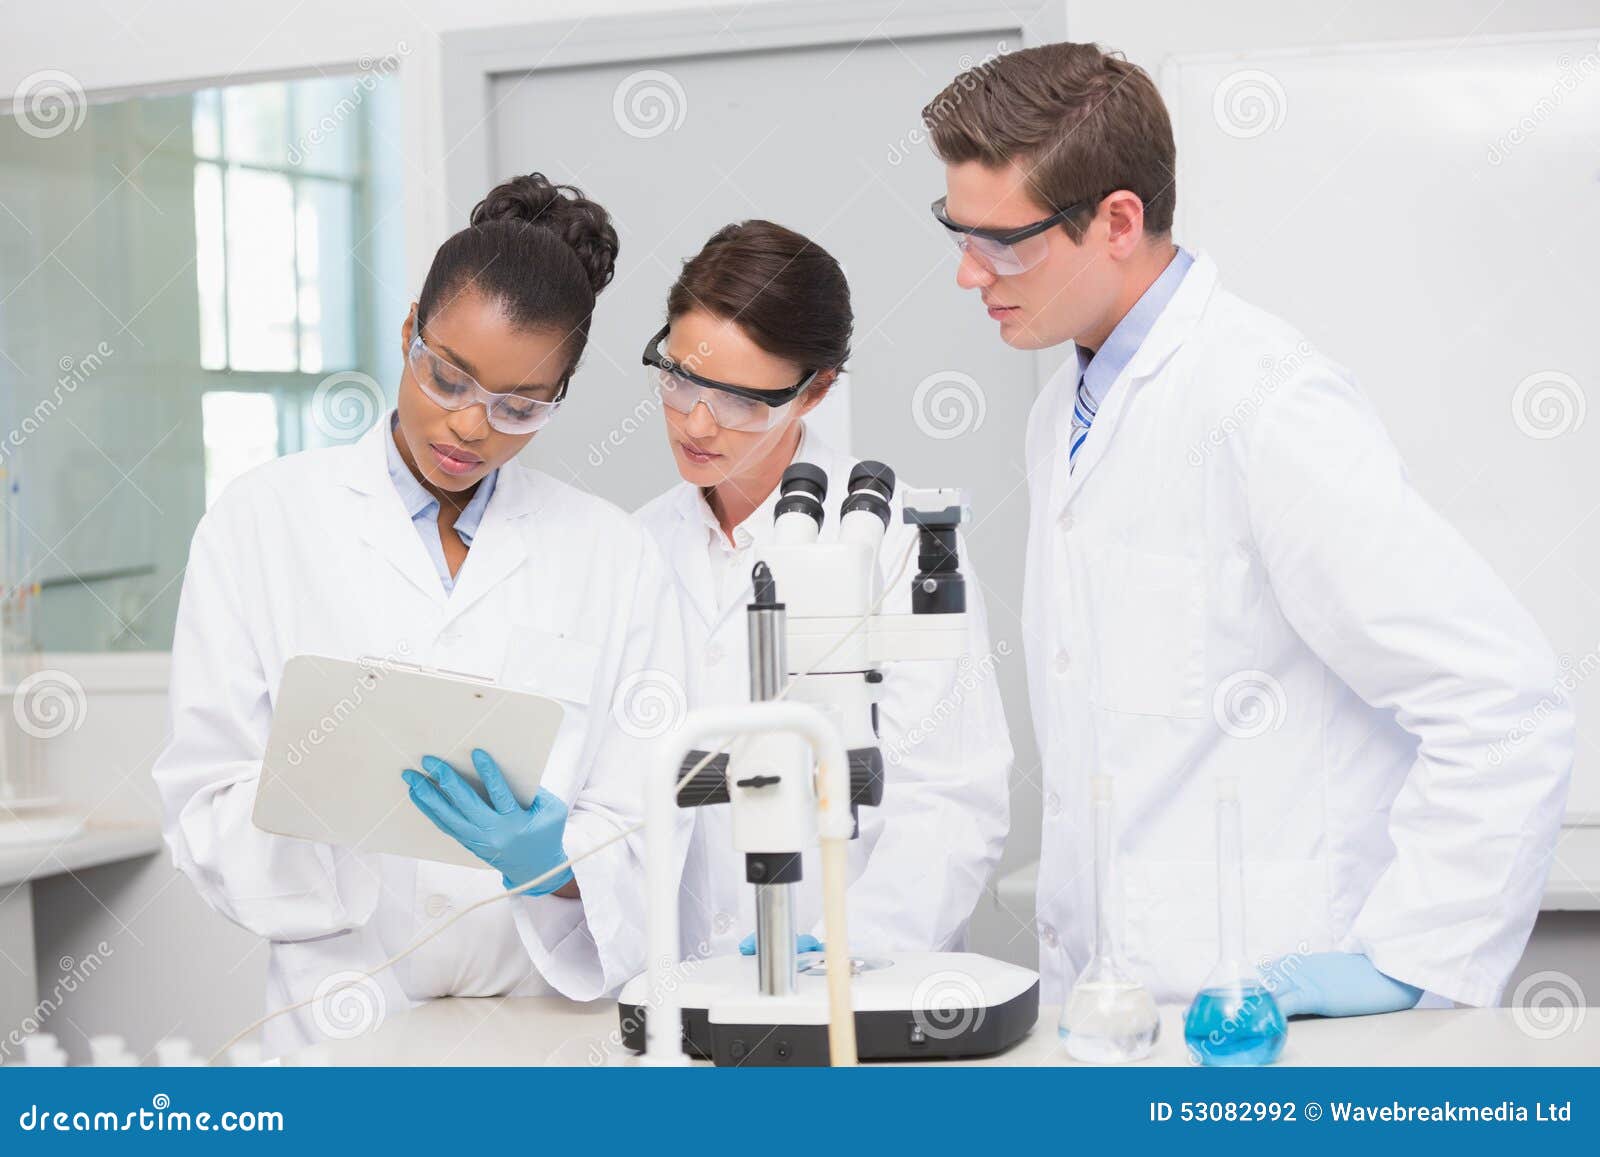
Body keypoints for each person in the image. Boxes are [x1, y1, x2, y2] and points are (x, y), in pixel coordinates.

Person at [921, 43, 1574, 1014]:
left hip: (1271, 1015)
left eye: (1002, 241)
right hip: (1118, 1009)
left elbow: (1504, 701)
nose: (970, 274)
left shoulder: (1263, 402)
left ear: (1116, 220)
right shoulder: (1061, 407)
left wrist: (1405, 957)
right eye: (955, 231)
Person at [153, 173, 684, 1056]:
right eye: (447, 376)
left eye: (519, 406)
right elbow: (202, 798)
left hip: (545, 1029)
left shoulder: (611, 555)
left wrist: (557, 864)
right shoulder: (262, 521)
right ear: (408, 334)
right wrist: (336, 818)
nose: (471, 426)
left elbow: (651, 819)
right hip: (341, 1017)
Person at [634, 220, 1012, 960]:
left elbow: (950, 795)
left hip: (861, 974)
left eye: (740, 400)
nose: (697, 422)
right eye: (679, 379)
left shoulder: (901, 539)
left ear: (817, 390)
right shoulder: (636, 547)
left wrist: (851, 945)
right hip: (687, 985)